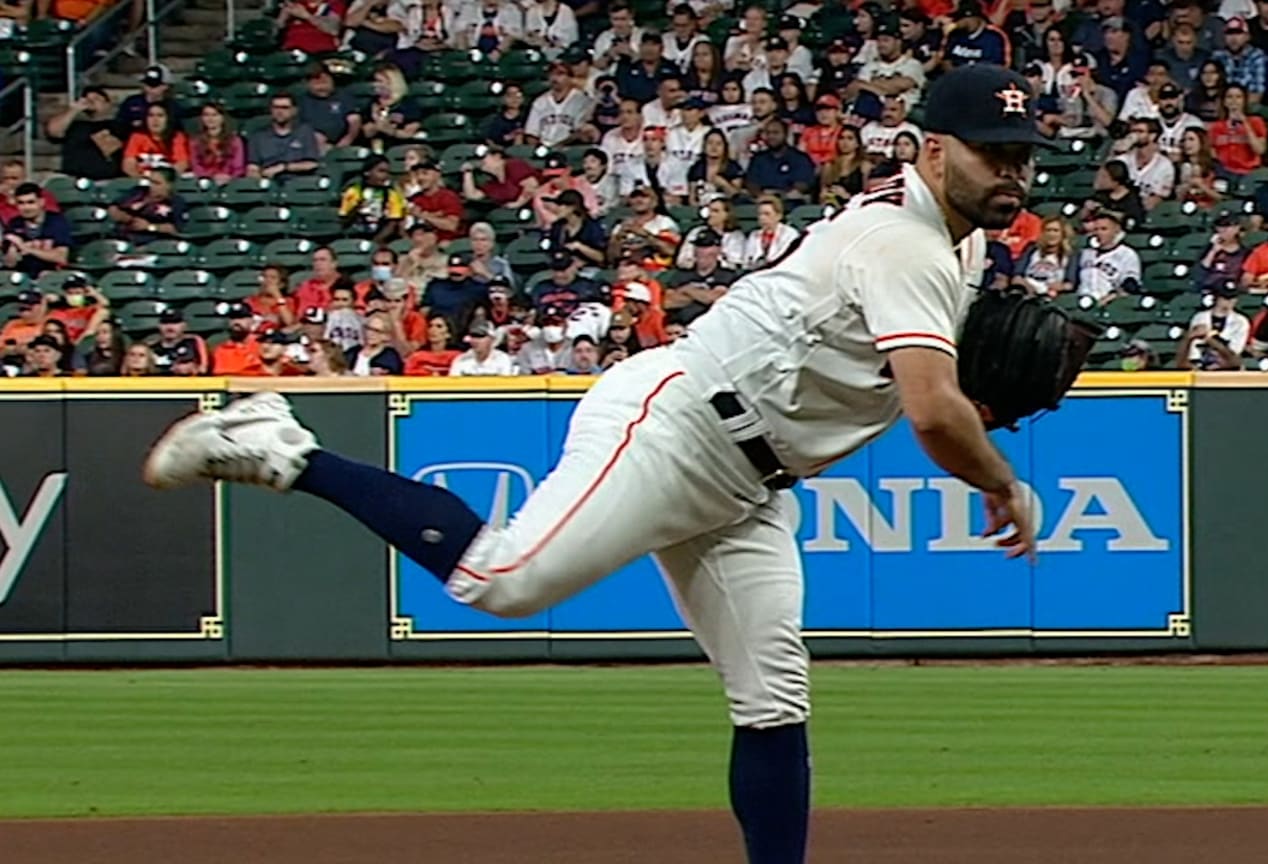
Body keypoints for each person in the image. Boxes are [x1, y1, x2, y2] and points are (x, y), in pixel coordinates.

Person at [142, 66, 1049, 864]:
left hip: (750, 483)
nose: (1010, 172)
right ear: (929, 150)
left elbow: (914, 382)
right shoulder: (911, 244)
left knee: (773, 700)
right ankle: (283, 448)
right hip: (679, 423)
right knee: (500, 581)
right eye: (991, 152)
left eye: (1021, 155)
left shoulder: (958, 243)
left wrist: (976, 399)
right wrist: (1001, 479)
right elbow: (931, 412)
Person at [44, 86, 124, 181]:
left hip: (109, 178)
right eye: (88, 99)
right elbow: (53, 131)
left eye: (96, 99)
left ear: (107, 104)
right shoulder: (74, 126)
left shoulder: (119, 126)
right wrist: (74, 110)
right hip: (74, 178)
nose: (91, 102)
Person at [665, 229, 739, 324]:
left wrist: (686, 290)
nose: (701, 251)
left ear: (718, 249)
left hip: (713, 324)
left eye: (706, 247)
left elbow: (714, 299)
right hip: (681, 325)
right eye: (698, 246)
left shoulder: (726, 275)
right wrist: (702, 295)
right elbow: (668, 302)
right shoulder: (681, 274)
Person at [245, 93, 322, 182]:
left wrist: (283, 167)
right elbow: (252, 167)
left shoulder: (304, 132)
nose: (279, 112)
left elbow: (312, 164)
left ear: (294, 110)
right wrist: (257, 178)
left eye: (285, 108)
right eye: (276, 107)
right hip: (269, 183)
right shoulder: (258, 137)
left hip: (298, 182)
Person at [4, 182, 72, 278]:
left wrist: (27, 249)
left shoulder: (56, 221)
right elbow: (10, 264)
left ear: (41, 202)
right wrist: (12, 251)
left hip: (51, 275)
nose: (26, 208)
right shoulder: (15, 223)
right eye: (21, 203)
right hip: (21, 277)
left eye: (31, 202)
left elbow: (61, 257)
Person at [1175, 282, 1249, 371]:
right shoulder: (1200, 317)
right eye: (1225, 298)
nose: (1230, 302)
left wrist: (1209, 339)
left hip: (1226, 368)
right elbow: (1191, 355)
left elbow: (1234, 357)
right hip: (1200, 365)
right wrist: (1189, 337)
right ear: (1216, 298)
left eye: (1233, 298)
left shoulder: (1240, 322)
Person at [107, 166, 186, 244]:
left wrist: (149, 227)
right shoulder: (138, 191)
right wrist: (128, 218)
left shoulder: (176, 202)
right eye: (150, 182)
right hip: (121, 236)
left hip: (150, 241)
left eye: (157, 183)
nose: (151, 186)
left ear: (169, 185)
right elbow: (113, 208)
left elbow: (175, 229)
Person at [1077, 209, 1142, 302]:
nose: (1098, 233)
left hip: (1111, 303)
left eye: (1104, 229)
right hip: (1083, 301)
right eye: (1096, 229)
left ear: (1116, 230)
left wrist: (1112, 296)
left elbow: (1131, 285)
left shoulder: (1127, 254)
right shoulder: (1085, 253)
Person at [339, 154, 407, 242]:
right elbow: (344, 222)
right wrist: (357, 208)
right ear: (367, 172)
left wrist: (375, 242)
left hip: (381, 239)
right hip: (355, 237)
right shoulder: (353, 192)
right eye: (381, 171)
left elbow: (392, 224)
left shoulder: (392, 194)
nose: (385, 176)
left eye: (387, 172)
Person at [297, 64, 362, 151]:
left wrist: (348, 139)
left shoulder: (343, 96)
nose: (321, 87)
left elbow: (354, 120)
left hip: (343, 143)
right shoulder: (302, 101)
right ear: (308, 84)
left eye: (324, 82)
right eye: (316, 83)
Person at [1011, 216, 1080, 297]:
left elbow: (1070, 285)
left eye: (1055, 231)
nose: (1051, 234)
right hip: (1026, 291)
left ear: (1063, 234)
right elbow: (1016, 277)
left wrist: (1060, 287)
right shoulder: (1031, 250)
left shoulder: (1070, 255)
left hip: (1052, 294)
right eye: (1048, 230)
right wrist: (1028, 288)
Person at [122, 103, 190, 178]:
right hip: (141, 179)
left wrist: (163, 179)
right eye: (151, 115)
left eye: (160, 115)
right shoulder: (136, 137)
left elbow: (182, 163)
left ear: (168, 119)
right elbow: (128, 164)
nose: (155, 120)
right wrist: (141, 178)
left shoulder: (177, 137)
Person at [1210, 84, 1267, 175]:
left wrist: (1245, 123)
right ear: (1224, 102)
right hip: (1224, 172)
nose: (1234, 101)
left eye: (1238, 97)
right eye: (1230, 97)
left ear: (1244, 101)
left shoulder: (1255, 122)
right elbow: (1212, 153)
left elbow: (1260, 150)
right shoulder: (1216, 127)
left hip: (1249, 172)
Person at [188, 103, 246, 183]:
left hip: (231, 181)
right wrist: (210, 177)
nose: (210, 118)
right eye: (206, 115)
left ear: (222, 118)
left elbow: (239, 167)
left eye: (214, 115)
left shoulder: (235, 141)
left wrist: (228, 177)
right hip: (205, 182)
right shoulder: (195, 142)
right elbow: (196, 166)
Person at [742, 195, 801, 269]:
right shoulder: (754, 235)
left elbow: (789, 260)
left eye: (767, 214)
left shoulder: (790, 234)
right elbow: (746, 261)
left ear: (779, 216)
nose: (762, 218)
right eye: (760, 214)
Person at [1195, 213, 1249, 293]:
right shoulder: (1208, 249)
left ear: (1236, 228)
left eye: (1227, 226)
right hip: (1210, 291)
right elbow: (1199, 274)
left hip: (1233, 291)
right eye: (1220, 226)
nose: (1223, 230)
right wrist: (1213, 252)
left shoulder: (1245, 252)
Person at [346, 310, 407, 375]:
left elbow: (394, 375)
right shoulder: (351, 353)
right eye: (369, 329)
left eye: (377, 331)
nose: (371, 333)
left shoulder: (390, 356)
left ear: (386, 336)